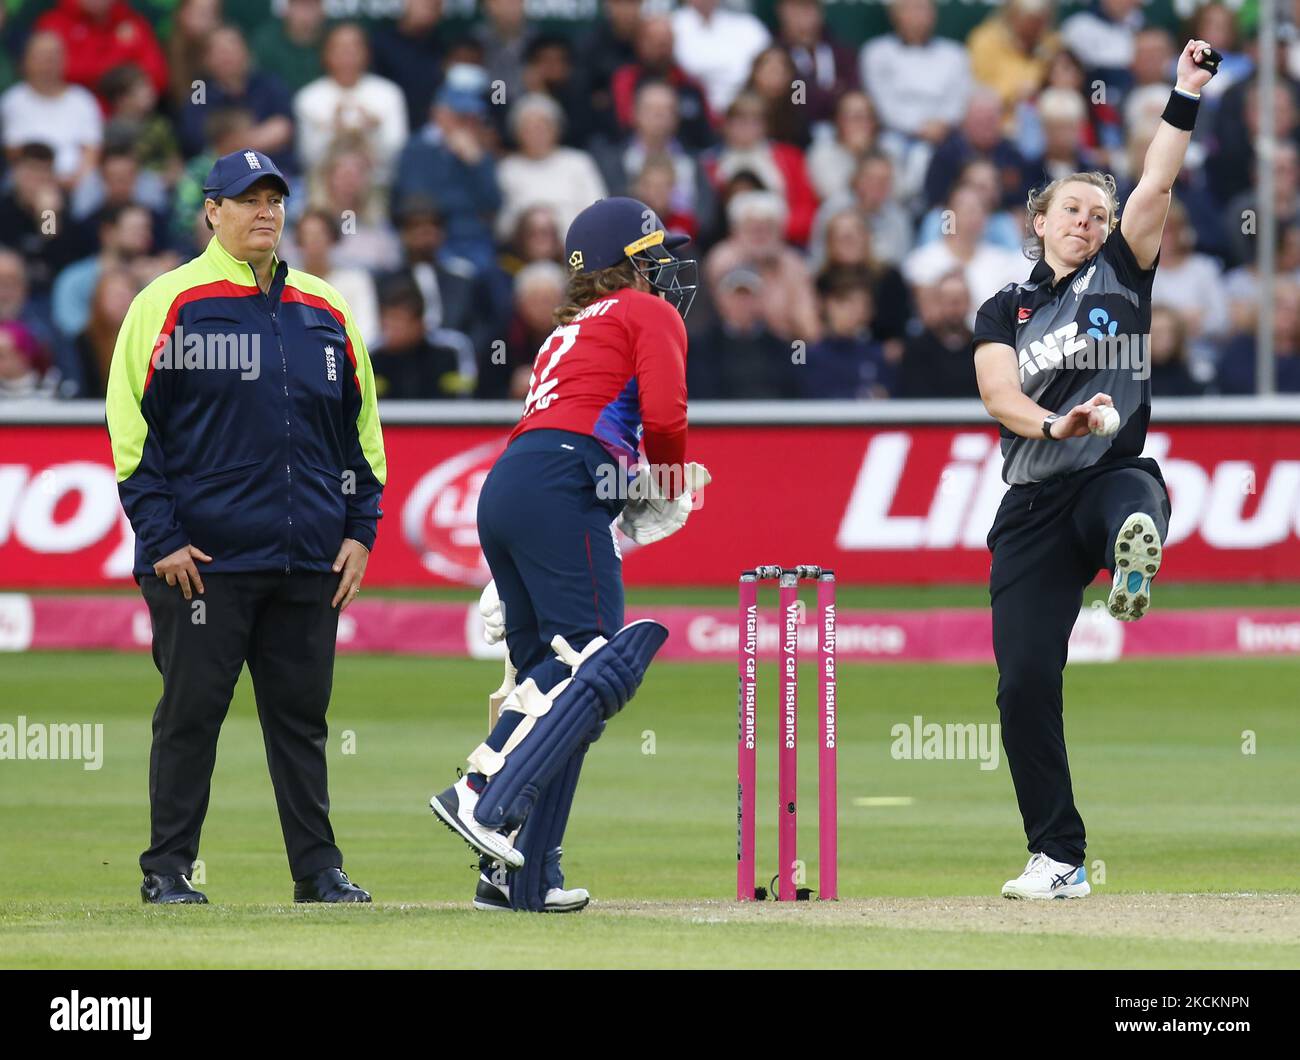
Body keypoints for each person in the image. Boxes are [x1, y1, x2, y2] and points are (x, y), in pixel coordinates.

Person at [105, 148, 386, 905]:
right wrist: (160, 535)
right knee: (191, 716)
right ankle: (167, 872)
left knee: (301, 722)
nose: (265, 212)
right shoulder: (169, 302)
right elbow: (131, 430)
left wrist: (361, 528)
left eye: (275, 199)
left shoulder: (325, 307)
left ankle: (318, 871)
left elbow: (360, 431)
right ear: (212, 211)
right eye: (247, 199)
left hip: (308, 557)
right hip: (202, 560)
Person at [971, 40, 1219, 899]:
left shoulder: (1124, 268)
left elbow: (1155, 183)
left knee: (1131, 493)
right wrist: (1054, 419)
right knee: (1023, 684)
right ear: (1037, 221)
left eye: (1097, 213)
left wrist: (1183, 94)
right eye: (1071, 209)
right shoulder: (1003, 307)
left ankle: (1129, 554)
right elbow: (999, 395)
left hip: (1109, 474)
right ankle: (1061, 858)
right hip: (1034, 499)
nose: (1088, 220)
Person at [428, 196, 707, 912]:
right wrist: (667, 478)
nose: (669, 270)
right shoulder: (649, 313)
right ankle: (480, 789)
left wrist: (615, 499)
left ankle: (521, 876)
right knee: (592, 663)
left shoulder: (564, 330)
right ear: (624, 265)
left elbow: (584, 419)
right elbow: (665, 417)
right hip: (560, 479)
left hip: (516, 482)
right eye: (655, 256)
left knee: (558, 688)